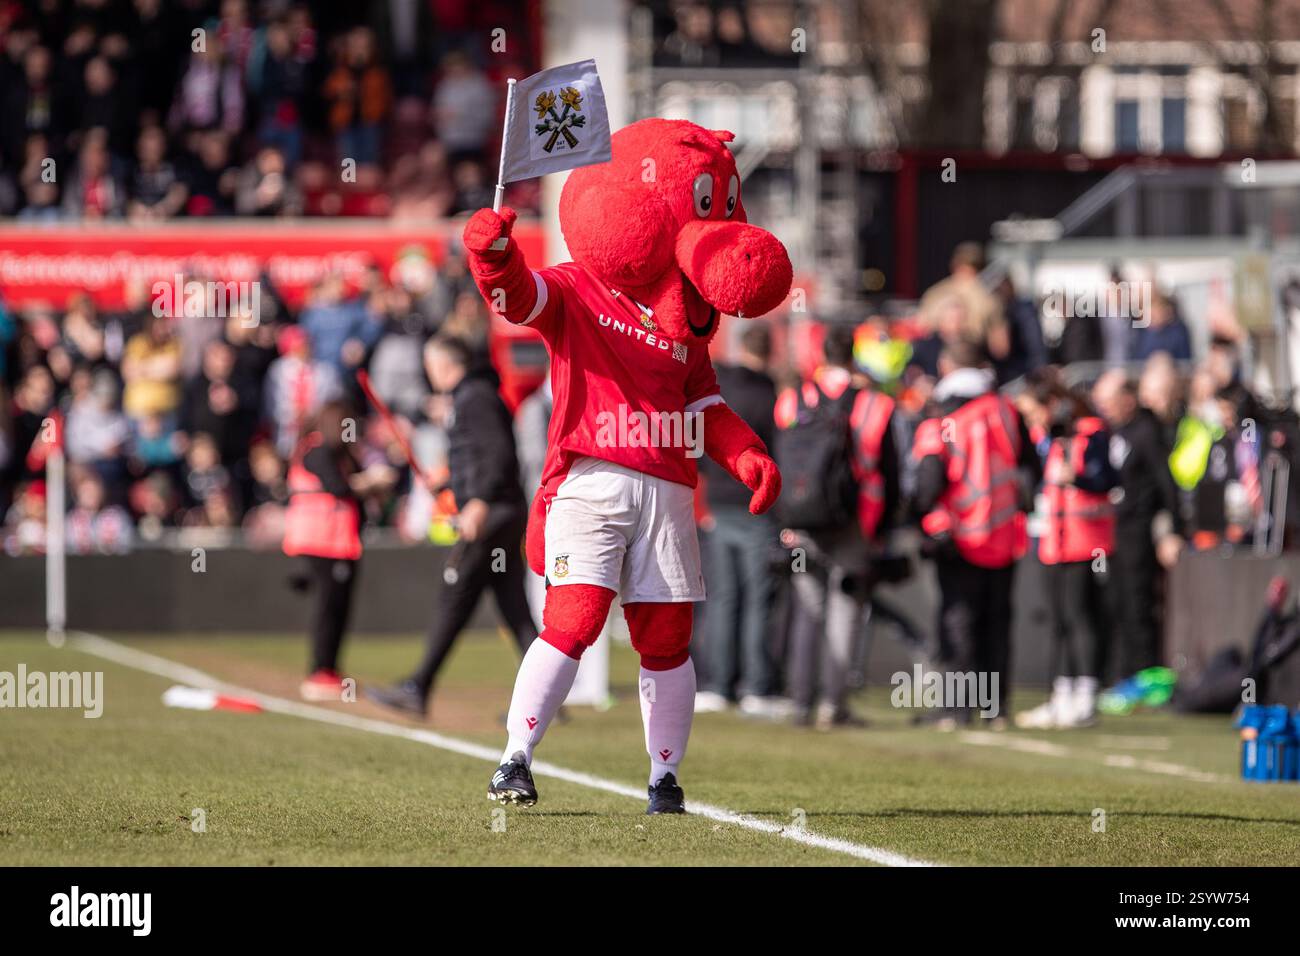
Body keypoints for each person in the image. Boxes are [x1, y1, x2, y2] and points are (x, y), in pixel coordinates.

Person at [366, 335, 538, 717]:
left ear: (444, 365)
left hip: (491, 514)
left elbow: (497, 455)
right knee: (514, 607)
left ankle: (418, 688)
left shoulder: (473, 399)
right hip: (503, 512)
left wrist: (477, 501)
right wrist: (448, 483)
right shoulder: (476, 396)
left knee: (454, 596)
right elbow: (479, 457)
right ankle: (546, 696)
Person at [775, 325, 899, 729]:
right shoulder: (876, 405)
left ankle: (799, 703)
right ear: (852, 356)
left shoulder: (794, 399)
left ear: (823, 355)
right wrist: (883, 530)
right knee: (845, 611)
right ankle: (833, 704)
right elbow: (891, 472)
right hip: (855, 520)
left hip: (802, 519)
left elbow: (781, 458)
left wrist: (784, 518)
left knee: (807, 609)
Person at [912, 341, 1040, 728]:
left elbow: (928, 481)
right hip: (1003, 534)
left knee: (958, 623)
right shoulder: (1007, 411)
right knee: (997, 623)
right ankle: (996, 708)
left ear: (946, 365)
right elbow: (1030, 467)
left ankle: (956, 709)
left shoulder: (942, 414)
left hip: (959, 537)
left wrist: (919, 514)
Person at [694, 323, 787, 717]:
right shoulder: (770, 395)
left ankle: (717, 684)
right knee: (757, 601)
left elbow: (700, 445)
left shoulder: (720, 388)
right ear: (770, 352)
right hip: (756, 505)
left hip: (718, 500)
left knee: (722, 599)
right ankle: (756, 686)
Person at [1015, 375, 1118, 729]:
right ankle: (1061, 695)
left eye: (1034, 414)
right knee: (1058, 620)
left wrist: (1075, 476)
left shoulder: (1092, 434)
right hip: (1053, 541)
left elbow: (1106, 479)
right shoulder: (1046, 440)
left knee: (1080, 618)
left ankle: (1086, 694)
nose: (1033, 423)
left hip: (1084, 542)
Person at [282, 400, 390, 701]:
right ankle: (320, 671)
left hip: (336, 541)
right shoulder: (317, 450)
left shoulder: (335, 453)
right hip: (323, 541)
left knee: (338, 607)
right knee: (329, 607)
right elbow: (338, 487)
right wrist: (371, 482)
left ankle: (329, 668)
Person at [1092, 369, 1184, 680]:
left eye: (1110, 400)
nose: (1104, 407)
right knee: (1114, 604)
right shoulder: (1111, 431)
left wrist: (1172, 530)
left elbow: (1166, 483)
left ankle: (1145, 675)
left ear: (1128, 400)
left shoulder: (1147, 431)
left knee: (1137, 604)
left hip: (1137, 533)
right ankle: (1121, 674)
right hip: (1111, 533)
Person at [918, 241, 1009, 363]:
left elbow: (919, 332)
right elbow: (1001, 348)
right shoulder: (990, 300)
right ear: (982, 267)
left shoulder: (935, 294)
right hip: (975, 365)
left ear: (954, 264)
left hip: (938, 365)